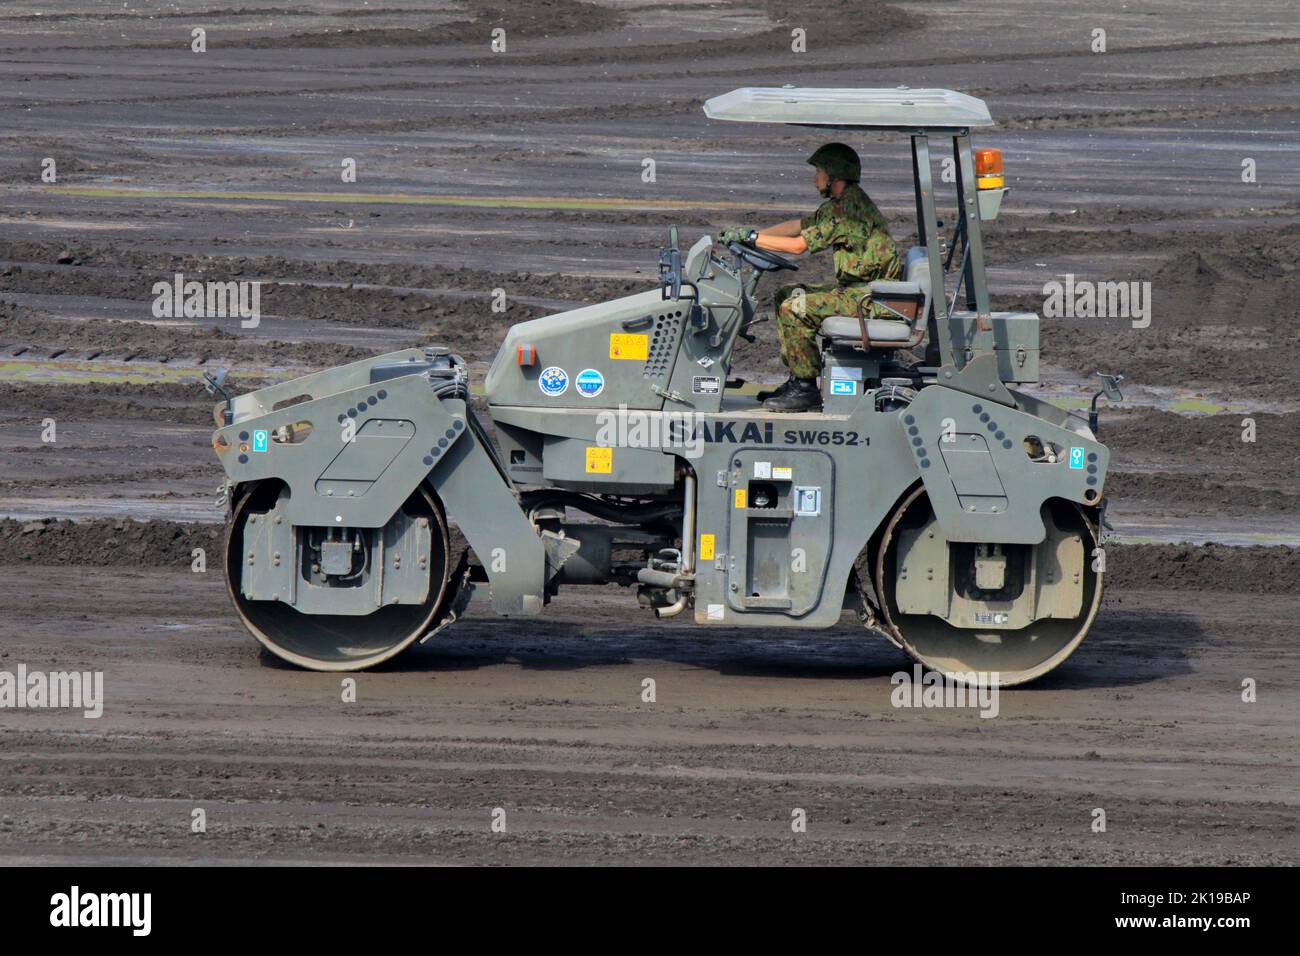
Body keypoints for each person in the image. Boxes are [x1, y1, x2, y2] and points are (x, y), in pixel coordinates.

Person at [720, 143, 902, 411]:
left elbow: (798, 246)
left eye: (819, 171)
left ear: (835, 175)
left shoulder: (849, 209)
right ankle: (798, 378)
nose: (814, 178)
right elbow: (797, 227)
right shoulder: (840, 203)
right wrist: (754, 236)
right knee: (788, 293)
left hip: (875, 299)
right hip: (865, 292)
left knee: (795, 307)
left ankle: (806, 389)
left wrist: (752, 238)